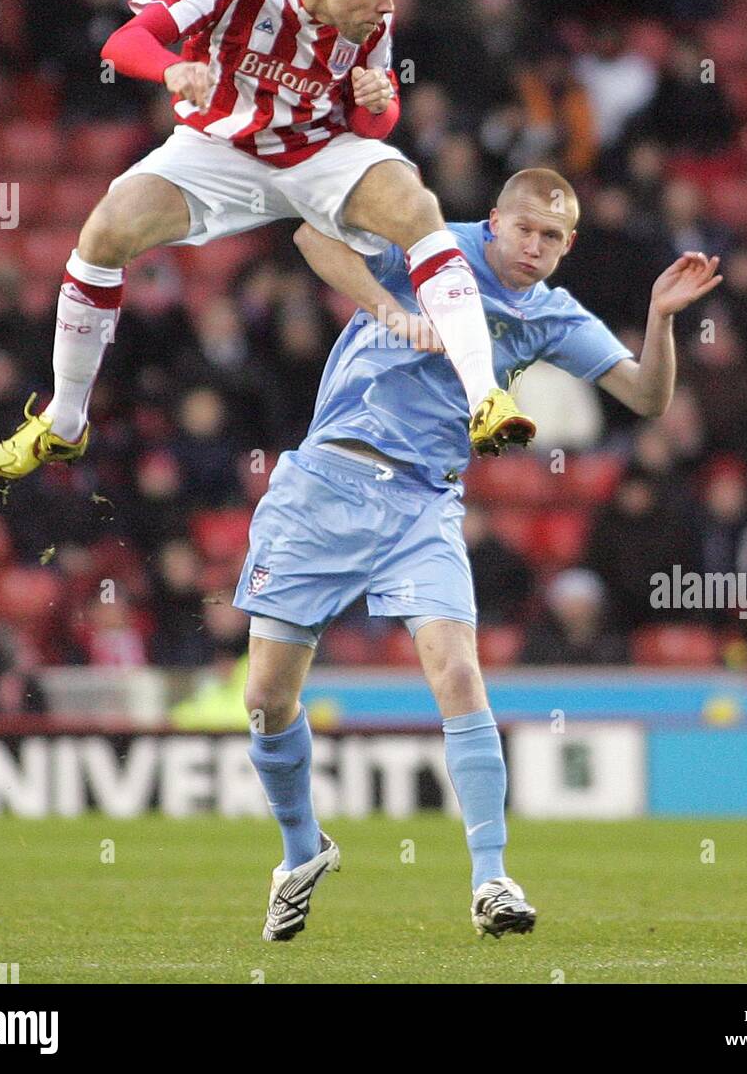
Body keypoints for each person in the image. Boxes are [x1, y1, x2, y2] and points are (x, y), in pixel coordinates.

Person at [234, 167, 721, 941]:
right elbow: (310, 237)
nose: (534, 247)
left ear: (567, 247)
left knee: (458, 672)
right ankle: (301, 853)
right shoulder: (431, 247)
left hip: (423, 502)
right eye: (524, 229)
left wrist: (658, 319)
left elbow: (646, 398)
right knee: (265, 699)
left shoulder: (552, 316)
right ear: (492, 221)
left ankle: (490, 877)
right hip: (326, 481)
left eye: (552, 238)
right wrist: (390, 311)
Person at [0, 0, 535, 482]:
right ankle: (64, 423)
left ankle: (485, 397)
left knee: (416, 207)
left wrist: (378, 102)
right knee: (104, 233)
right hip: (219, 148)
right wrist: (169, 70)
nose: (388, 5)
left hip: (318, 149)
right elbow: (124, 41)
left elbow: (377, 119)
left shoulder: (367, 20)